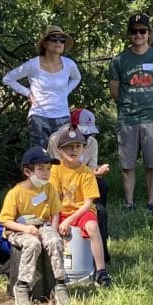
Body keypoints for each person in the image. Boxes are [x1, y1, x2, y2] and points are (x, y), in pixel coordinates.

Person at [107, 12, 153, 214]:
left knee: (152, 163)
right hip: (128, 118)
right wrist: (127, 105)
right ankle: (129, 203)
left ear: (149, 33)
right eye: (134, 32)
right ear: (129, 35)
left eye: (142, 31)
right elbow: (114, 89)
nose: (138, 35)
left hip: (152, 117)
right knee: (128, 164)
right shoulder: (119, 60)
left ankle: (151, 202)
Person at [0, 147, 70, 305]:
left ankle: (59, 284)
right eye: (40, 169)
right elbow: (5, 221)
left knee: (54, 241)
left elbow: (55, 213)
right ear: (27, 171)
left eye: (48, 169)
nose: (46, 173)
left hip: (42, 224)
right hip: (18, 228)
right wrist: (26, 230)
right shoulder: (15, 193)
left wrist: (52, 232)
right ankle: (22, 285)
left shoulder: (49, 188)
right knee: (33, 243)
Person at [2, 25, 83, 150]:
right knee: (40, 157)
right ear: (45, 43)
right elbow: (8, 78)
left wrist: (66, 91)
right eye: (54, 39)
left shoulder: (69, 64)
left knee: (61, 157)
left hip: (62, 117)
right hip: (39, 116)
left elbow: (77, 78)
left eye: (62, 40)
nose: (58, 42)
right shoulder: (33, 64)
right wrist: (28, 93)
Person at [47, 107, 111, 261]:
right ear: (73, 126)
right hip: (60, 185)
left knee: (101, 205)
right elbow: (53, 168)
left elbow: (91, 168)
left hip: (84, 181)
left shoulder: (92, 142)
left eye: (90, 132)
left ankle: (100, 256)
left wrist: (97, 172)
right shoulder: (57, 140)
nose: (87, 135)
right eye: (84, 131)